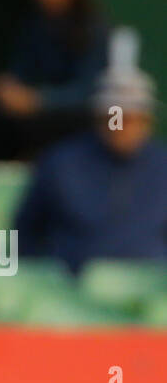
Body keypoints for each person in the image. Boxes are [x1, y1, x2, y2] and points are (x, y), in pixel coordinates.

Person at [14, 67, 167, 273]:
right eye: (114, 116)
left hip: (151, 288)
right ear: (98, 117)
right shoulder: (61, 163)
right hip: (73, 288)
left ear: (147, 120)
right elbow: (26, 233)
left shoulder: (161, 164)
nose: (122, 127)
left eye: (132, 118)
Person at [0, 0, 108, 157]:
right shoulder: (32, 27)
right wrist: (7, 90)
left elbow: (91, 92)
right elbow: (20, 74)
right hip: (37, 124)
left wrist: (39, 100)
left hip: (79, 124)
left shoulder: (94, 29)